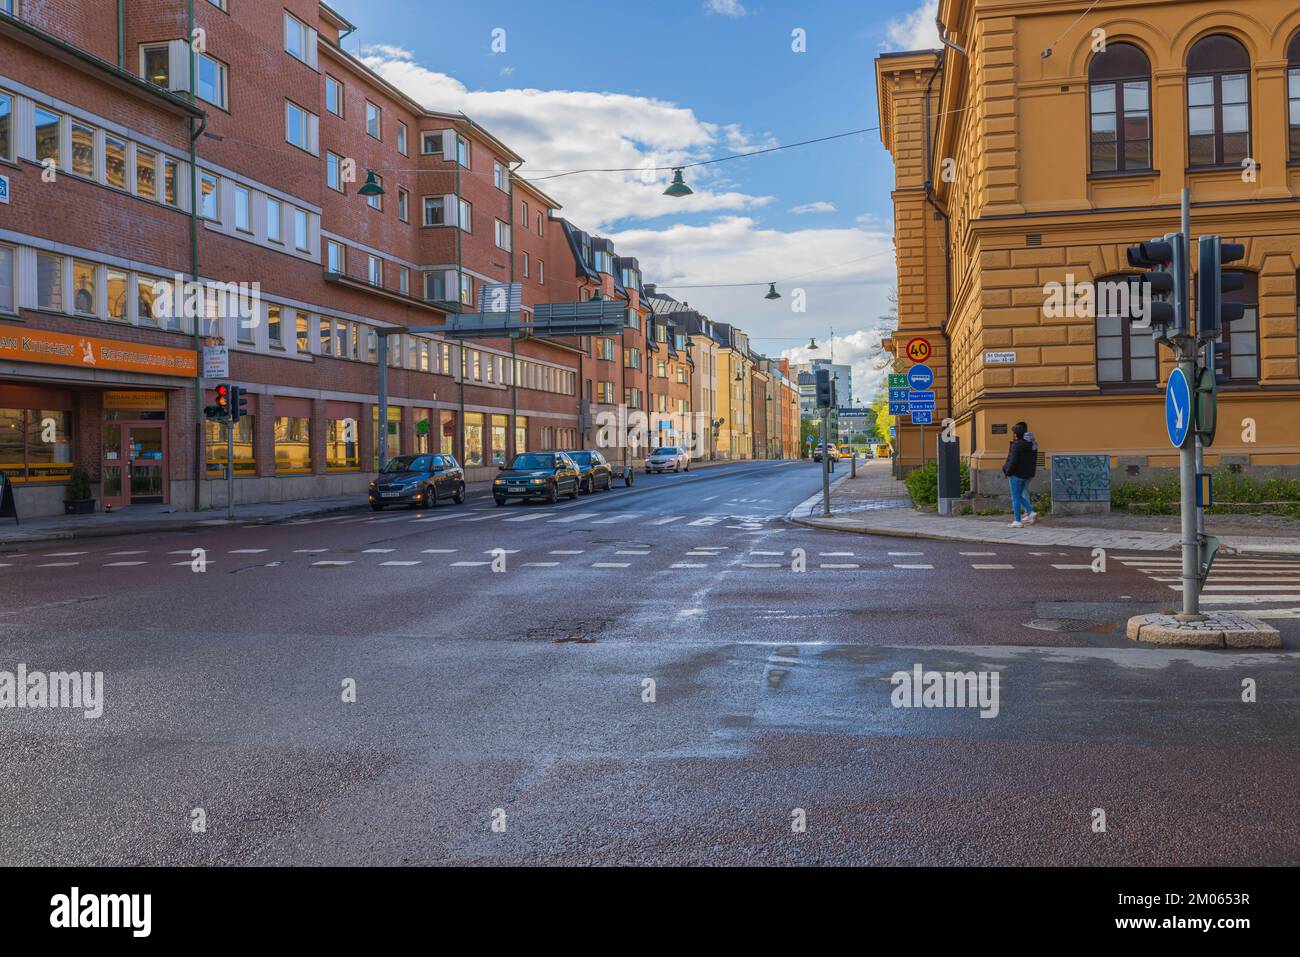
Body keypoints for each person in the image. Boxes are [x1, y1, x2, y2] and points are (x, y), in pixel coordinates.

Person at [1001, 421, 1038, 528]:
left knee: (1015, 498)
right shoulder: (1032, 444)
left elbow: (1013, 461)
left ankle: (1017, 521)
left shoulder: (1017, 445)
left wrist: (1007, 471)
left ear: (1017, 434)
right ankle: (1030, 512)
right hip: (1027, 475)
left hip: (1016, 475)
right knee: (1019, 496)